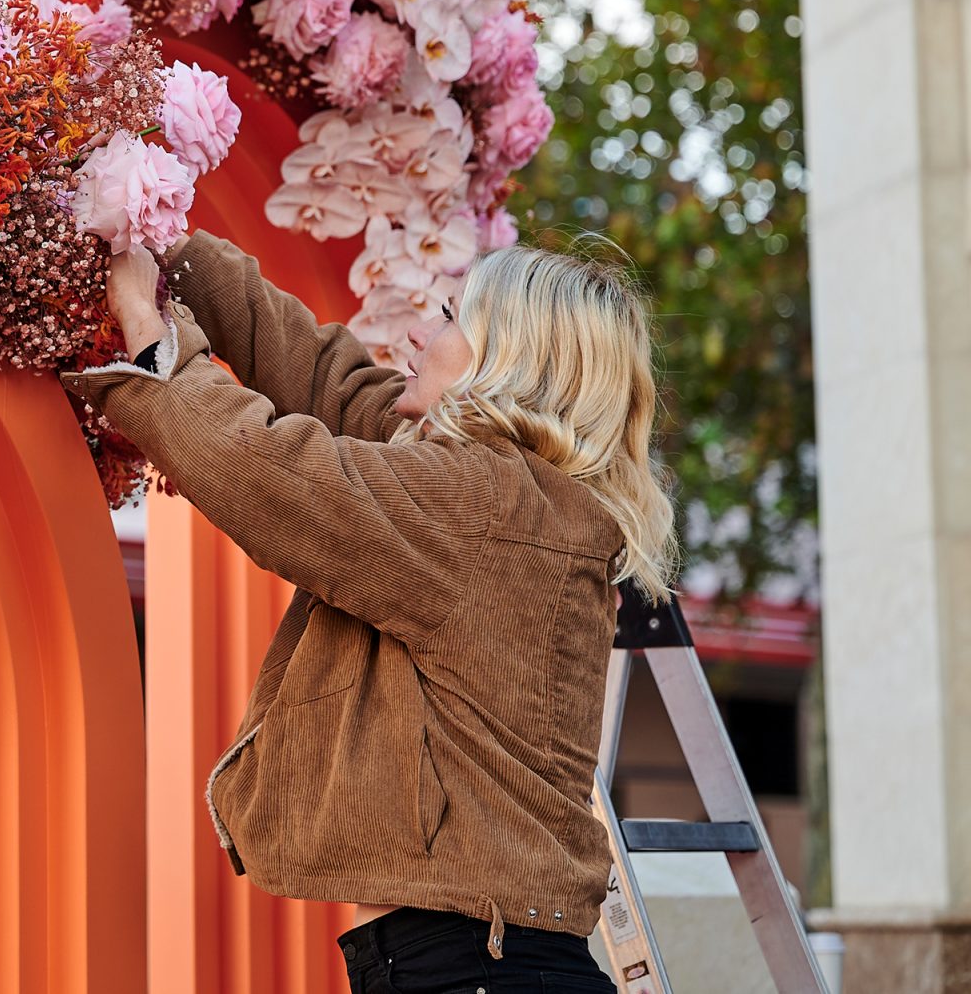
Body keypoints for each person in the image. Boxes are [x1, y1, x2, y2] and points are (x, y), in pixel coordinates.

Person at [64, 231, 677, 993]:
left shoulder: (484, 509)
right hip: (475, 963)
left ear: (510, 363)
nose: (425, 332)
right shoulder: (515, 502)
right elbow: (336, 385)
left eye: (453, 318)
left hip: (472, 970)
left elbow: (272, 475)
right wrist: (166, 241)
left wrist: (153, 336)